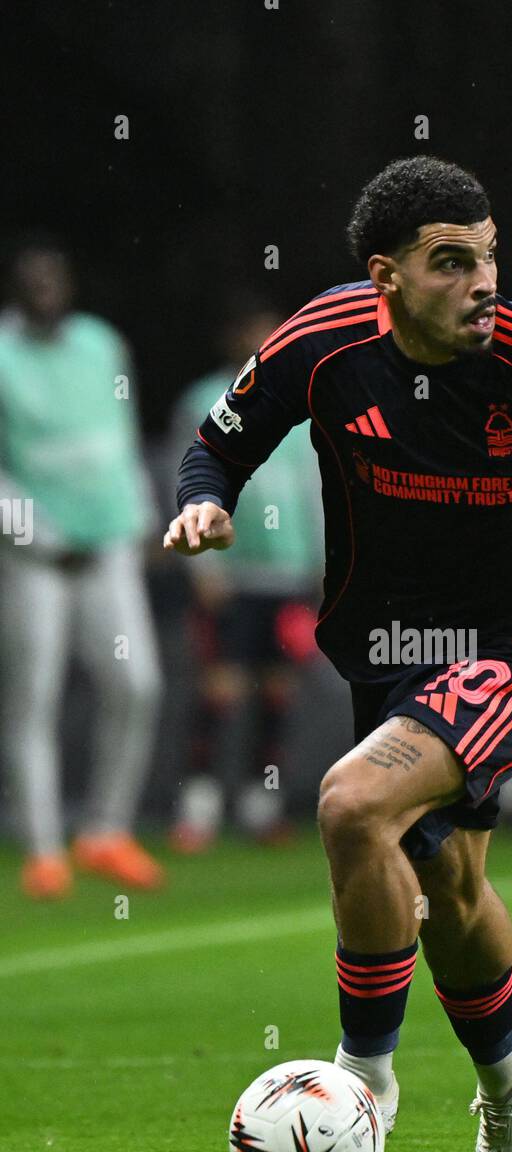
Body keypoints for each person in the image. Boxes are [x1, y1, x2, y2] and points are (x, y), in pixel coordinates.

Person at [165, 157, 512, 1152]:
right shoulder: (322, 342)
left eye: (490, 255)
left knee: (348, 802)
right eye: (450, 262)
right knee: (450, 887)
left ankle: (363, 1079)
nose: (483, 282)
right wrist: (208, 502)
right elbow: (220, 442)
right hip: (387, 649)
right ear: (384, 276)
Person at [0, 239, 163, 899]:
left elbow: (118, 435)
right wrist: (36, 538)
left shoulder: (100, 343)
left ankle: (105, 830)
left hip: (108, 542)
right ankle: (42, 848)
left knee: (137, 683)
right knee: (33, 695)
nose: (44, 289)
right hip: (34, 554)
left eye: (53, 277)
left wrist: (144, 516)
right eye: (30, 280)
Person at [168, 301, 323, 849]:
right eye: (251, 329)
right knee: (220, 692)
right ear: (232, 337)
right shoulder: (202, 398)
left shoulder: (302, 402)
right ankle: (200, 806)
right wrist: (203, 563)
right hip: (231, 575)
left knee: (278, 692)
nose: (261, 337)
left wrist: (321, 565)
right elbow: (185, 472)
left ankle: (263, 804)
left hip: (288, 575)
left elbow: (314, 490)